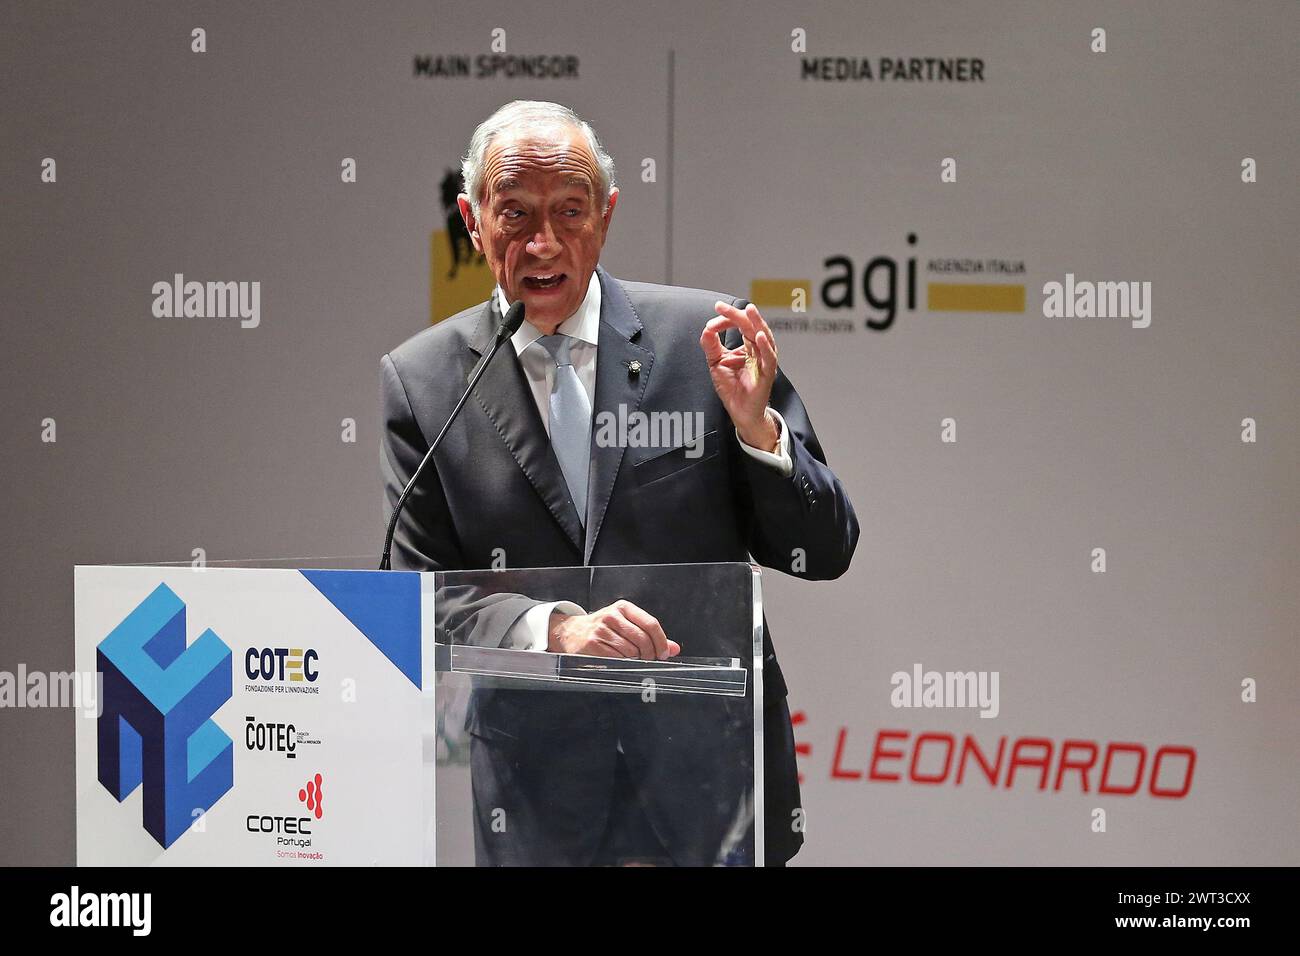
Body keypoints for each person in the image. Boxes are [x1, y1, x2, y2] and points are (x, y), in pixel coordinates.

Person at [381, 100, 859, 865]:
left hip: (712, 782)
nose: (544, 241)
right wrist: (555, 631)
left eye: (571, 211)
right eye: (516, 214)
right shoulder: (424, 382)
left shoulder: (705, 339)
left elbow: (826, 546)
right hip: (541, 800)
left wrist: (756, 434)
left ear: (606, 217)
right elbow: (418, 596)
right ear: (473, 223)